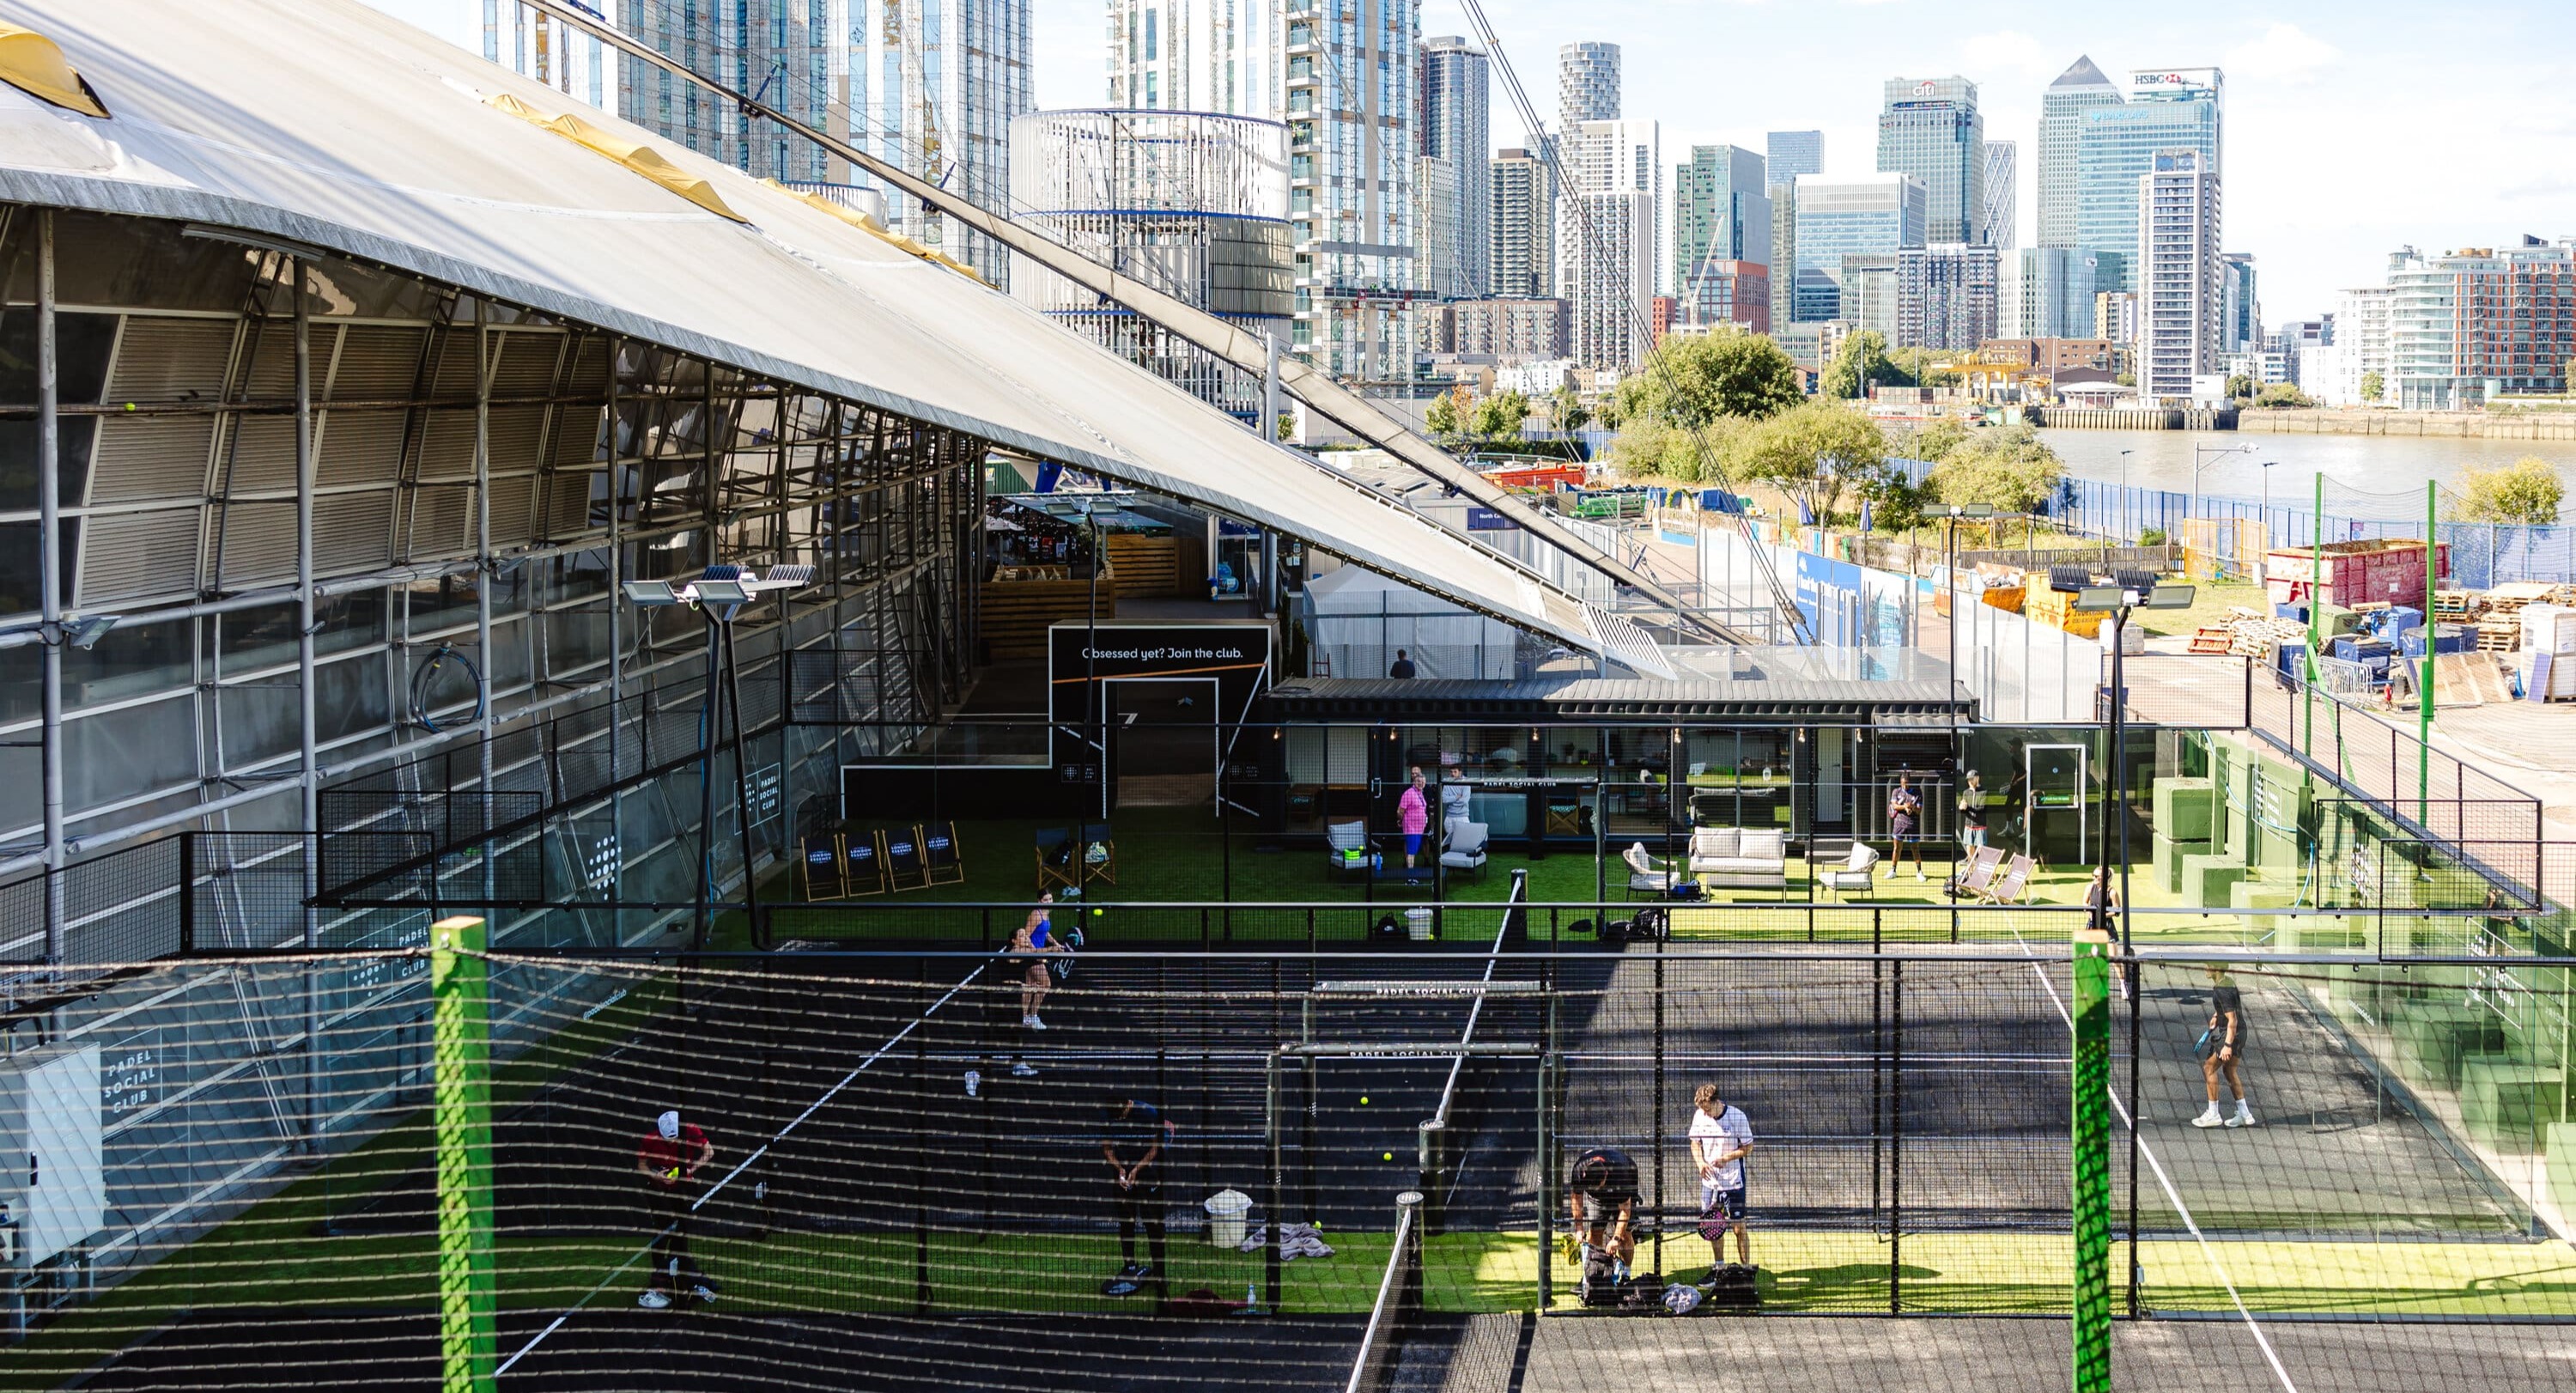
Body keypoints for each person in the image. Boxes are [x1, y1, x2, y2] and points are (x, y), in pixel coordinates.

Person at [635, 1110, 717, 1309]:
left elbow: (709, 1151)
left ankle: (683, 1274)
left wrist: (691, 1169)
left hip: (684, 1188)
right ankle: (661, 1277)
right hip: (658, 1191)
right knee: (662, 1233)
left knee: (682, 1232)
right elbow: (642, 1165)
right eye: (667, 1140)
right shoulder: (650, 1139)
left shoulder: (691, 1131)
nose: (672, 1143)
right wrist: (657, 1176)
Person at [1101, 1098, 1176, 1295]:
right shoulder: (1108, 1115)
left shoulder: (1149, 1114)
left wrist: (1136, 1170)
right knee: (1126, 1221)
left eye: (1123, 1115)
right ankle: (1129, 1267)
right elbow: (1107, 1148)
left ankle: (1160, 1274)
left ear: (1127, 1104)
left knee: (1153, 1225)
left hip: (1147, 1174)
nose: (1120, 1119)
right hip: (1124, 1175)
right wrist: (1120, 1171)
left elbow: (1155, 1148)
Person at [1688, 1084, 1755, 1268]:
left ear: (1716, 1101)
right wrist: (1700, 1162)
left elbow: (1748, 1147)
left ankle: (1745, 1269)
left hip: (1733, 1181)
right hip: (1709, 1182)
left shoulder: (1736, 1116)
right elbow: (1695, 1143)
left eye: (1708, 1109)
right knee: (1713, 1226)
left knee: (1738, 1227)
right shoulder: (1700, 1116)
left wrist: (1726, 1158)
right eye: (1702, 1109)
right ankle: (1719, 1267)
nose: (1706, 1113)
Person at [2193, 965, 2257, 1128]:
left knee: (2209, 1068)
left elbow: (2232, 1020)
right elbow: (2228, 1009)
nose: (2206, 969)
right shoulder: (2227, 982)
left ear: (2217, 968)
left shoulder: (2222, 990)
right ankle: (2244, 1114)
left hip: (2231, 1035)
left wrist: (2227, 1045)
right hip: (2241, 1034)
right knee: (2229, 1071)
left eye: (2208, 966)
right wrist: (2217, 1015)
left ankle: (2213, 1114)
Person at [1564, 1144, 1639, 1268]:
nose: (1598, 1189)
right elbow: (1576, 1199)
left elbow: (1625, 1210)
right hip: (1596, 1199)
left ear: (1605, 1174)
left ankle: (1626, 1274)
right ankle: (1594, 1274)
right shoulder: (1579, 1170)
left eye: (1599, 1186)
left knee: (1625, 1234)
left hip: (1621, 1190)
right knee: (1595, 1232)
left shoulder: (1621, 1173)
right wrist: (1578, 1228)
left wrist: (1616, 1239)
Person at [1012, 893, 1068, 1033]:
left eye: (1050, 899)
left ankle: (1024, 1018)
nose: (1049, 902)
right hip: (1033, 955)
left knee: (1031, 987)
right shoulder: (1035, 915)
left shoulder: (1046, 913)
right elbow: (1027, 934)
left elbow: (1045, 932)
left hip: (1037, 953)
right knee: (1046, 984)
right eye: (1045, 900)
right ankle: (1033, 1016)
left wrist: (1056, 943)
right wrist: (1035, 951)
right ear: (1039, 901)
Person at [1886, 775, 1925, 881]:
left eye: (1907, 783)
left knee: (1915, 848)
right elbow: (1894, 806)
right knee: (1897, 848)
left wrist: (1912, 807)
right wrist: (1905, 806)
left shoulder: (1918, 792)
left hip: (1913, 824)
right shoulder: (1896, 792)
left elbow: (1919, 811)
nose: (1906, 785)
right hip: (1899, 824)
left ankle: (1919, 872)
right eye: (1904, 783)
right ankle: (1893, 870)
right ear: (1901, 782)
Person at [1397, 768, 1431, 884]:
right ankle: (1410, 878)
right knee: (1411, 853)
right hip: (1411, 828)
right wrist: (1400, 820)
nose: (1421, 784)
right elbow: (1400, 811)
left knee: (1413, 852)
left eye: (1423, 782)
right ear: (1414, 782)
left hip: (1419, 828)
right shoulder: (1409, 793)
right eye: (1419, 782)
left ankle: (1410, 876)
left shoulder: (1420, 793)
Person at [1439, 764, 1473, 847]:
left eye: (1455, 772)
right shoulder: (1447, 781)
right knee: (1451, 841)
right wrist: (1456, 797)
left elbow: (1464, 801)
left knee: (1464, 840)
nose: (1453, 774)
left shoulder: (1466, 782)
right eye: (1451, 772)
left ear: (1460, 772)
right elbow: (1444, 799)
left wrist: (1451, 800)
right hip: (1450, 817)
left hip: (1463, 816)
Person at [1957, 770, 1988, 851]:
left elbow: (1981, 809)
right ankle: (1971, 863)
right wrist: (1962, 808)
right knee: (1969, 849)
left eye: (1972, 779)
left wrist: (1967, 808)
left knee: (1982, 850)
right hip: (1968, 825)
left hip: (1980, 826)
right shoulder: (1966, 792)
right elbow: (1964, 810)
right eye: (1968, 779)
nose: (1970, 781)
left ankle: (1980, 864)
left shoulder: (1983, 792)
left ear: (1977, 778)